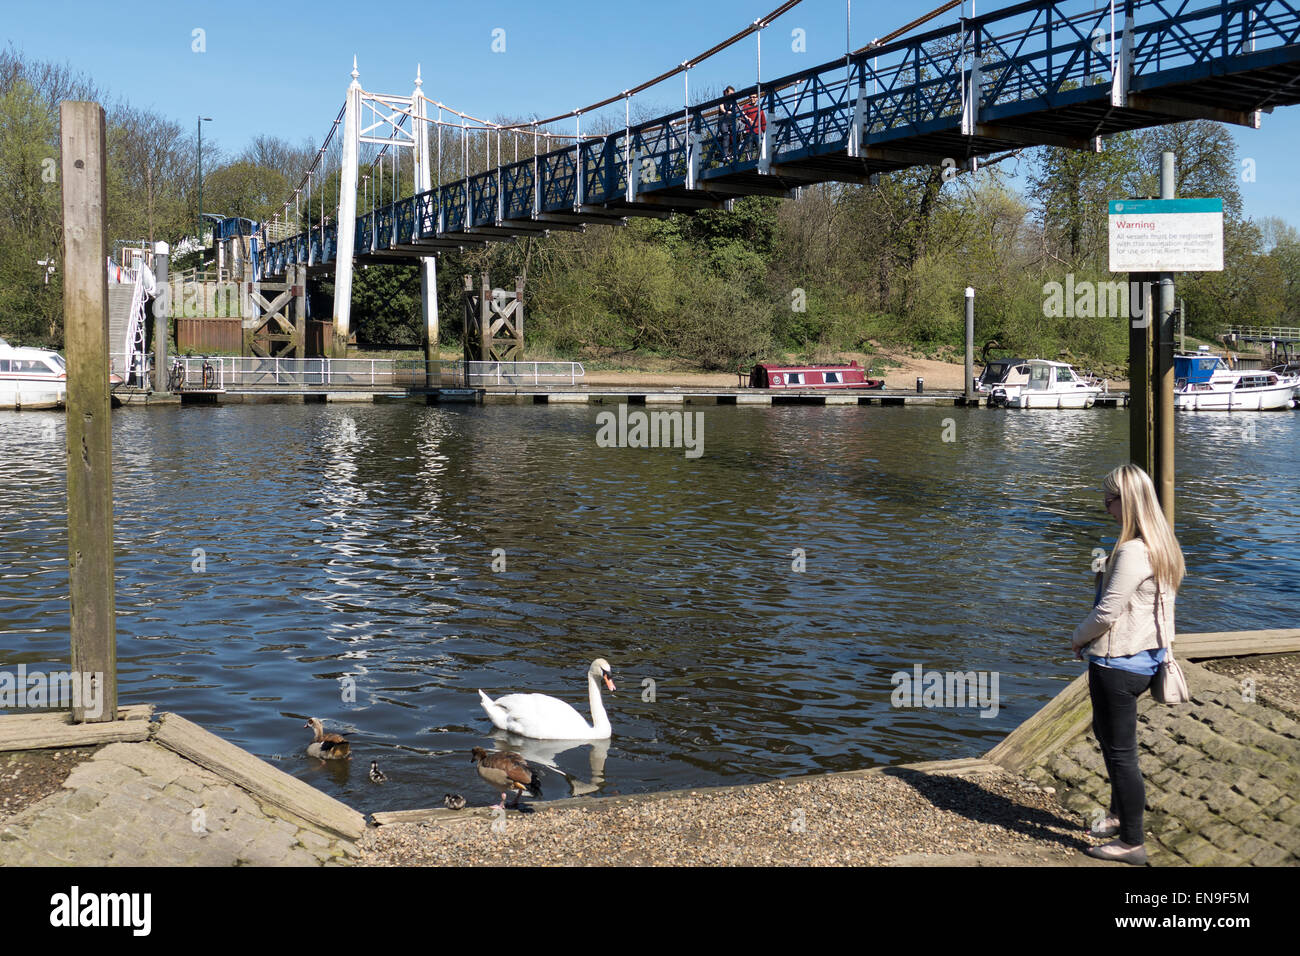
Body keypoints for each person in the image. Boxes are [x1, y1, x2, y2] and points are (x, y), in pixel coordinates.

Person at [1071, 463, 1184, 865]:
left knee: (1120, 753)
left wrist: (1077, 638)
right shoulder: (1164, 542)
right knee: (1113, 745)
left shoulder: (1134, 551)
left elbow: (1106, 613)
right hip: (1148, 659)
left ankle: (1132, 842)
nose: (1106, 508)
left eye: (1110, 500)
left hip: (1118, 663)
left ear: (1129, 501)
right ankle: (1118, 816)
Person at [740, 92, 767, 157]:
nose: (752, 99)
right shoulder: (746, 107)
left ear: (757, 98)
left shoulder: (760, 108)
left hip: (758, 132)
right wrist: (748, 120)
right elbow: (742, 118)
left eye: (754, 97)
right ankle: (750, 162)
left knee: (760, 148)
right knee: (749, 150)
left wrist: (766, 132)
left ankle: (758, 161)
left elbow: (763, 122)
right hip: (749, 132)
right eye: (750, 97)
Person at [718, 86, 738, 162]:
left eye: (733, 94)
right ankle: (725, 155)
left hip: (730, 120)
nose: (731, 95)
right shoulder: (722, 99)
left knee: (734, 134)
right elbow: (722, 108)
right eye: (730, 93)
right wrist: (727, 112)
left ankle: (733, 152)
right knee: (726, 136)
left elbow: (737, 108)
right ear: (726, 92)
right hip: (723, 120)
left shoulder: (733, 100)